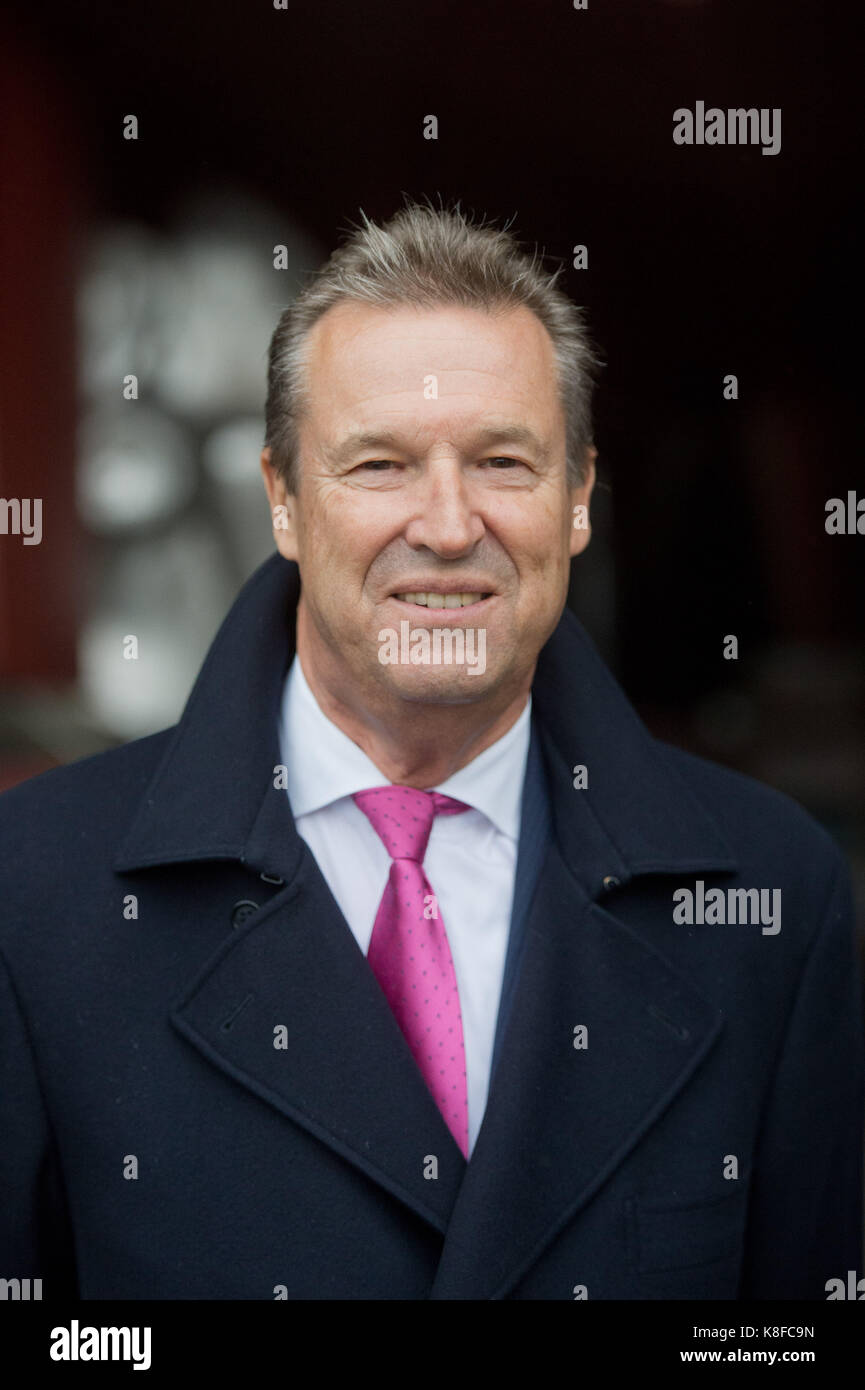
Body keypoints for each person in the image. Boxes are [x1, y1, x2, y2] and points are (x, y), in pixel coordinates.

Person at [0, 203, 861, 1300]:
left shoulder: (771, 896)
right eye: (381, 465)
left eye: (503, 460)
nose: (449, 526)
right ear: (282, 498)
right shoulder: (30, 894)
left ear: (579, 495)